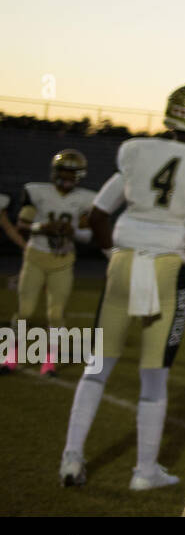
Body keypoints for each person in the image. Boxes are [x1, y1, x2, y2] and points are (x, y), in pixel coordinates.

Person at [60, 85, 185, 489]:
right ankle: (144, 471)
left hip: (124, 262)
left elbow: (98, 216)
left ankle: (71, 458)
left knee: (97, 367)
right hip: (167, 266)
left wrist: (115, 259)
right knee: (154, 374)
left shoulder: (138, 151)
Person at [3, 150, 98, 376]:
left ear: (79, 175)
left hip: (63, 261)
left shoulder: (86, 199)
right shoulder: (37, 192)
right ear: (56, 172)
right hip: (35, 257)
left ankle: (49, 361)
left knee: (56, 315)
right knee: (24, 311)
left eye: (72, 173)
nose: (67, 177)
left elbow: (87, 235)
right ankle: (11, 357)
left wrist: (72, 231)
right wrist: (43, 228)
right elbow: (22, 225)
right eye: (65, 171)